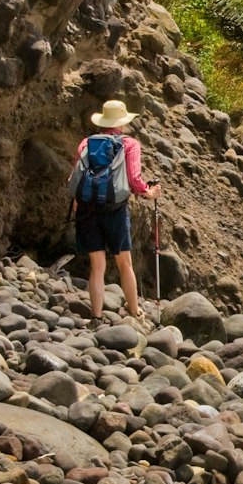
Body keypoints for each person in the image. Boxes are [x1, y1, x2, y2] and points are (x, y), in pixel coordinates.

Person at [68, 99, 160, 319]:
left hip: (87, 207)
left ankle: (96, 316)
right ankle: (134, 309)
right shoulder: (129, 144)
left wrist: (76, 201)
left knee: (97, 265)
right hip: (115, 210)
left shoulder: (86, 143)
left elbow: (75, 176)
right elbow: (134, 178)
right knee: (124, 263)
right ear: (121, 122)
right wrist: (149, 192)